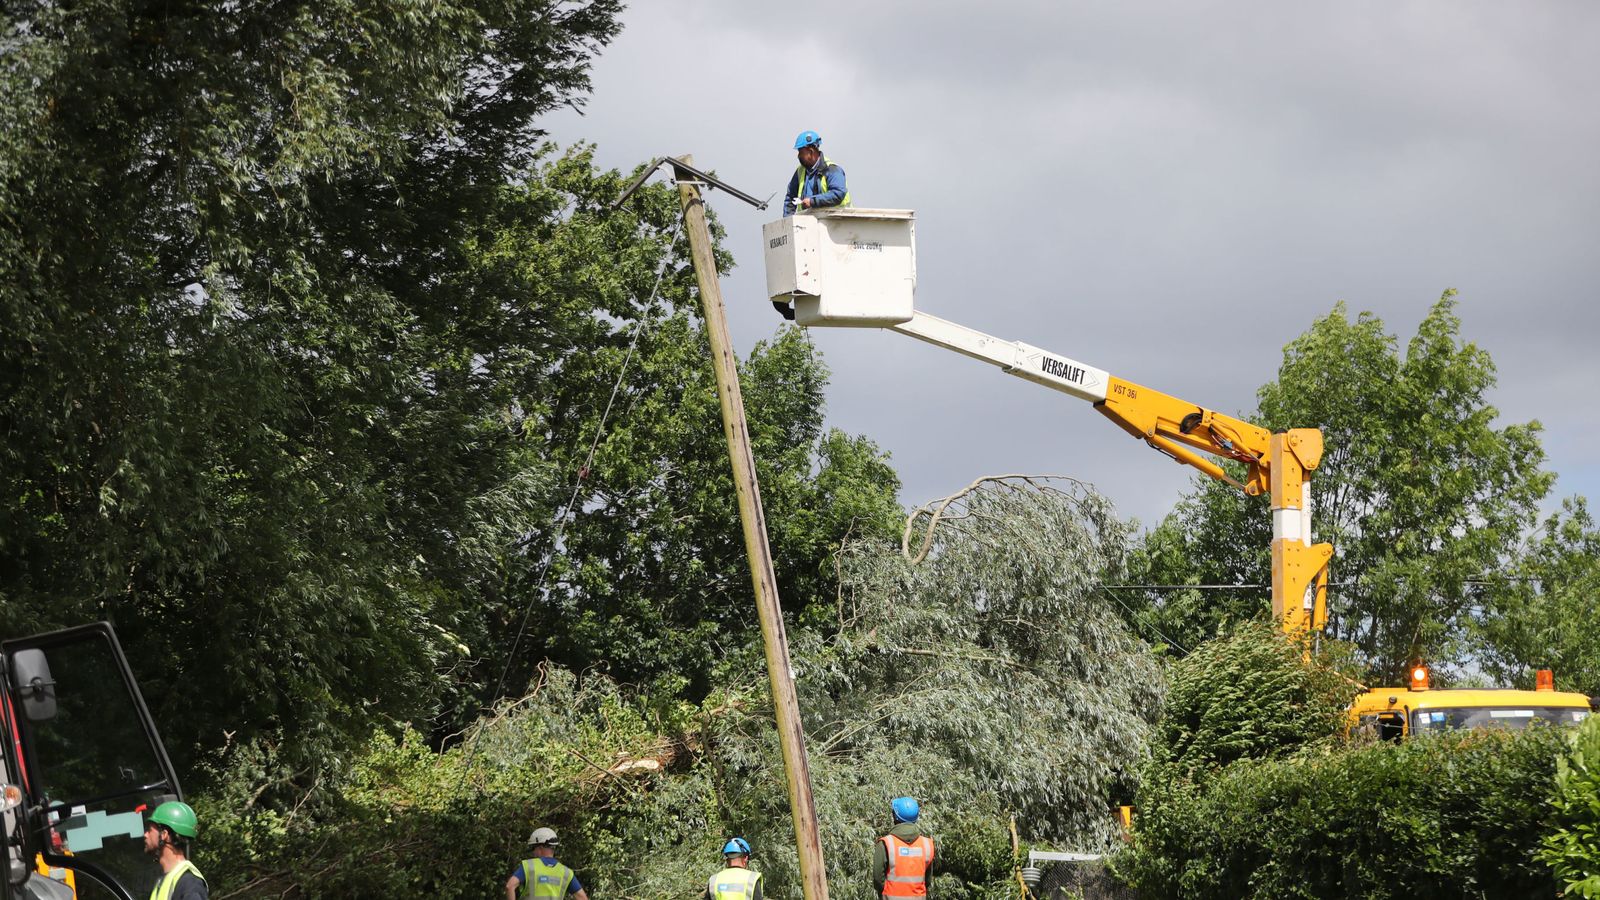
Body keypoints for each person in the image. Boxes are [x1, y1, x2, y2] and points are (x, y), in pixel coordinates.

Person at [873, 796, 934, 899]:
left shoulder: (886, 843)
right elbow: (927, 880)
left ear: (895, 816)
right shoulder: (927, 844)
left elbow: (878, 879)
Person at [144, 800, 206, 900]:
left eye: (150, 830)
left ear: (164, 835)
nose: (145, 835)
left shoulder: (189, 883)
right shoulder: (163, 881)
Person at [506, 827, 589, 900]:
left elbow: (509, 886)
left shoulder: (529, 866)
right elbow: (582, 897)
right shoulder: (566, 872)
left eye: (533, 848)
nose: (533, 852)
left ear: (540, 847)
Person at [783, 129, 850, 218]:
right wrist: (788, 222)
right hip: (809, 224)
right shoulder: (800, 171)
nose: (798, 156)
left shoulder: (832, 169)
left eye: (801, 152)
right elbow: (790, 197)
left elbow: (838, 194)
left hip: (835, 223)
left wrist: (812, 201)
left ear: (810, 151)